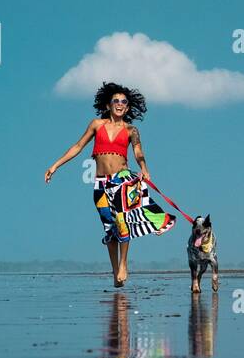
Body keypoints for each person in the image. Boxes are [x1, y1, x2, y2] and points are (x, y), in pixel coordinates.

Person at [44, 82, 174, 287]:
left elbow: (138, 152)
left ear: (128, 108)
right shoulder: (97, 124)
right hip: (100, 184)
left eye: (124, 101)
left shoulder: (132, 130)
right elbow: (78, 146)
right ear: (108, 105)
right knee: (109, 228)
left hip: (121, 181)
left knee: (122, 223)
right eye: (116, 101)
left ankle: (123, 265)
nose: (120, 104)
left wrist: (144, 167)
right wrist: (55, 166)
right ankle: (115, 270)